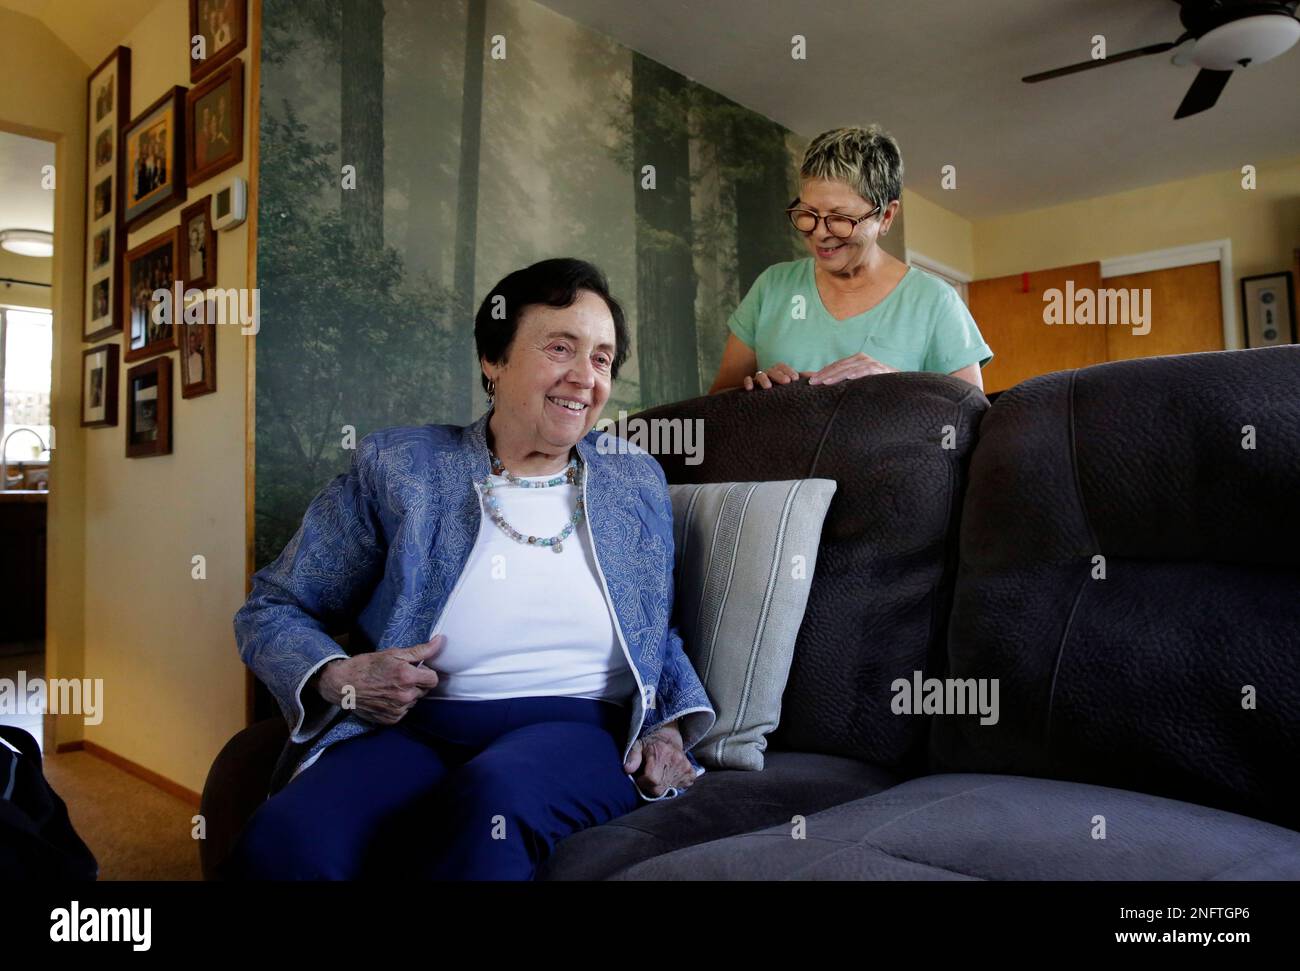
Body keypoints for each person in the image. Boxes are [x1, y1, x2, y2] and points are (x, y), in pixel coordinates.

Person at [229, 258, 715, 880]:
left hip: (576, 728)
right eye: (560, 348)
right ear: (494, 359)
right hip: (414, 728)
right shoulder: (402, 467)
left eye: (601, 359)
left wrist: (670, 727)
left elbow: (657, 629)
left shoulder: (633, 478)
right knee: (286, 841)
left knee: (494, 799)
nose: (583, 377)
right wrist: (337, 675)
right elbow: (273, 607)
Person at [709, 125, 992, 394]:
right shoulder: (772, 286)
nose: (820, 233)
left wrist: (898, 384)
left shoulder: (934, 301)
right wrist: (755, 393)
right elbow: (718, 402)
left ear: (887, 216)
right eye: (808, 213)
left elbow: (968, 415)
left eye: (840, 218)